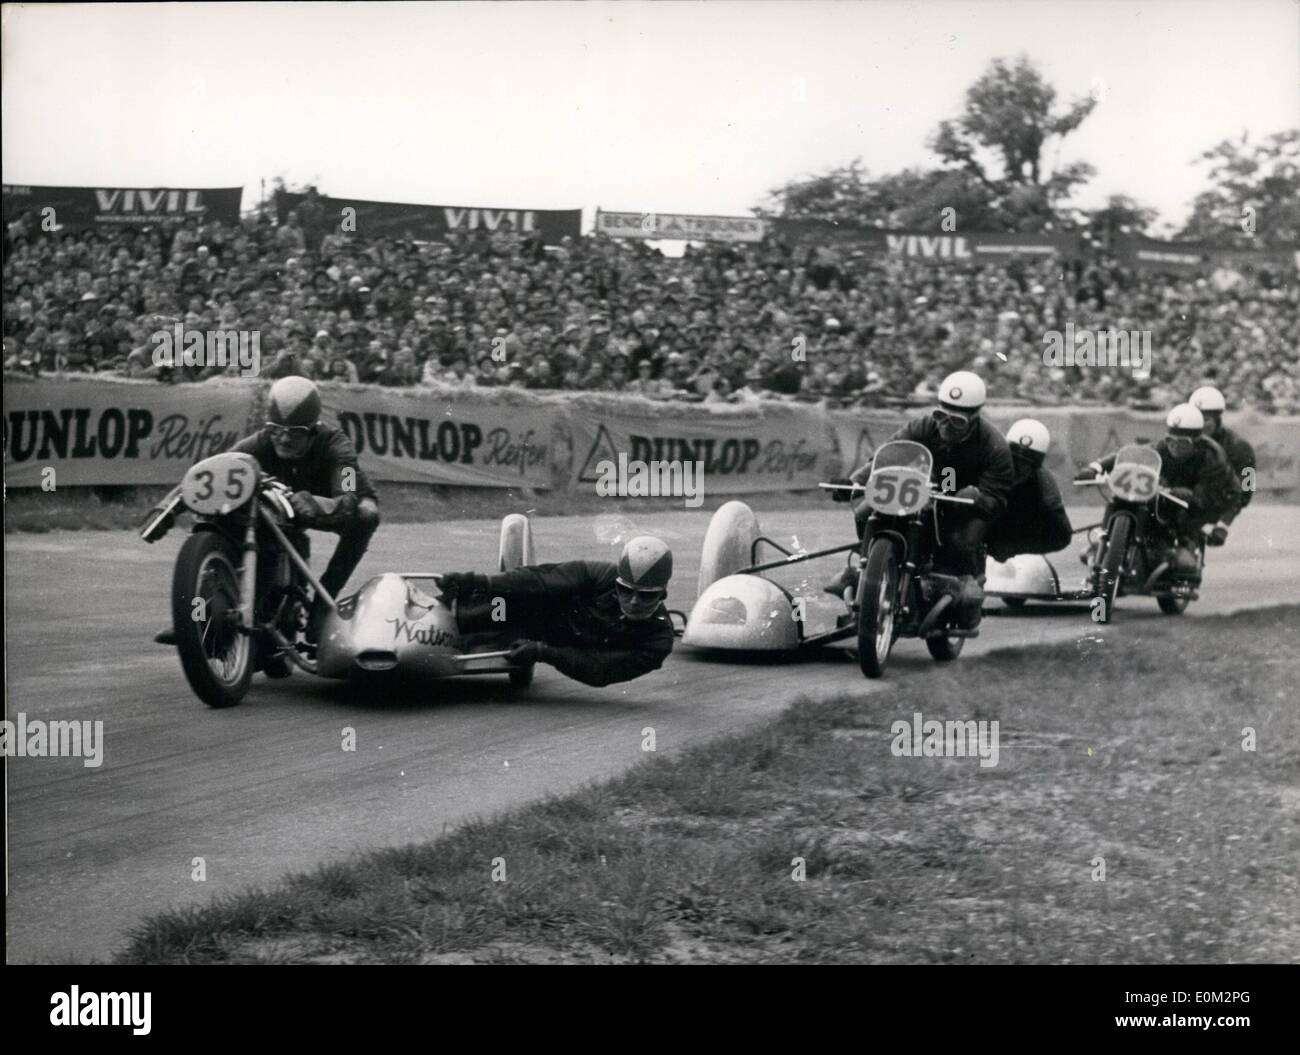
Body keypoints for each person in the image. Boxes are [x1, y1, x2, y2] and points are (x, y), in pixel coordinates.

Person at [828, 370, 1013, 630]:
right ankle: (866, 566)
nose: (945, 425)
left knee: (959, 542)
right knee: (867, 511)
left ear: (974, 419)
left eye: (956, 421)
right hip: (927, 490)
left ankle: (968, 589)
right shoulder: (924, 425)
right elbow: (884, 457)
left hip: (967, 504)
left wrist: (977, 498)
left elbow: (998, 497)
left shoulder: (994, 446)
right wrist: (853, 482)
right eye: (940, 416)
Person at [436, 536, 675, 688]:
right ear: (618, 583)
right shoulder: (600, 575)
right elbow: (540, 579)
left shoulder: (657, 641)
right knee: (477, 615)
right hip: (523, 612)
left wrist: (543, 652)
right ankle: (439, 614)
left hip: (547, 645)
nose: (633, 601)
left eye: (646, 595)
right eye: (625, 590)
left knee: (486, 647)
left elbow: (600, 671)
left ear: (661, 595)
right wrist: (479, 582)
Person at [1077, 403, 1233, 582]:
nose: (1174, 446)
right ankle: (1106, 542)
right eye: (1170, 440)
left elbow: (1207, 496)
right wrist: (1095, 467)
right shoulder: (1163, 447)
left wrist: (1188, 494)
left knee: (1185, 524)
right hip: (1163, 491)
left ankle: (1180, 548)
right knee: (1124, 500)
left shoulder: (1212, 458)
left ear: (1197, 442)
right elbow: (1136, 453)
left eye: (1183, 443)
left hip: (1199, 501)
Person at [985, 419, 1074, 562]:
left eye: (1025, 464)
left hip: (1011, 542)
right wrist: (948, 488)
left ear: (1036, 466)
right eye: (1013, 459)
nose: (1017, 467)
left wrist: (1013, 548)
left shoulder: (1046, 493)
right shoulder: (986, 461)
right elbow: (949, 469)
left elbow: (1062, 536)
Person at [1189, 385, 1256, 546]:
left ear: (1218, 419)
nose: (1201, 425)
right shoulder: (1181, 440)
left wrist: (1223, 524)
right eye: (1197, 418)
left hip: (1212, 503)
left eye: (1206, 420)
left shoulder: (1240, 447)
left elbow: (1245, 491)